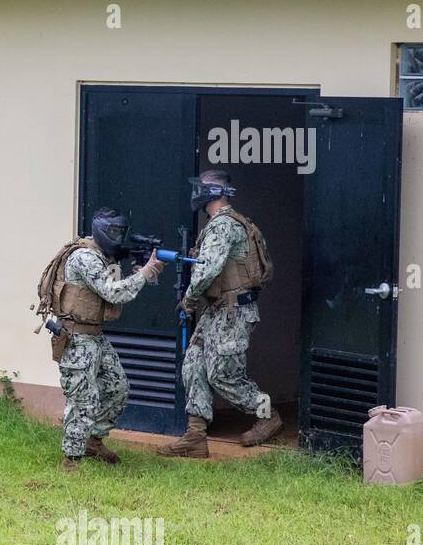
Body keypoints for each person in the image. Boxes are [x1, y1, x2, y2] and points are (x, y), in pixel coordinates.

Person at [160, 170, 279, 458]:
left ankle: (267, 414)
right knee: (194, 366)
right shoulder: (221, 223)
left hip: (233, 311)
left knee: (223, 374)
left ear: (212, 193)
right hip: (217, 310)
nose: (196, 194)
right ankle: (195, 437)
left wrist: (188, 301)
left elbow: (207, 270)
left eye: (201, 189)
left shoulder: (223, 226)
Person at [36, 208, 165, 471]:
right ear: (99, 230)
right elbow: (113, 292)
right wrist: (145, 272)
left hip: (95, 336)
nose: (117, 237)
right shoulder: (85, 257)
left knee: (117, 389)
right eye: (112, 232)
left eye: (121, 232)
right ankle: (71, 459)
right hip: (76, 338)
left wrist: (135, 267)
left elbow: (113, 281)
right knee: (84, 399)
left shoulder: (104, 257)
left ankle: (93, 441)